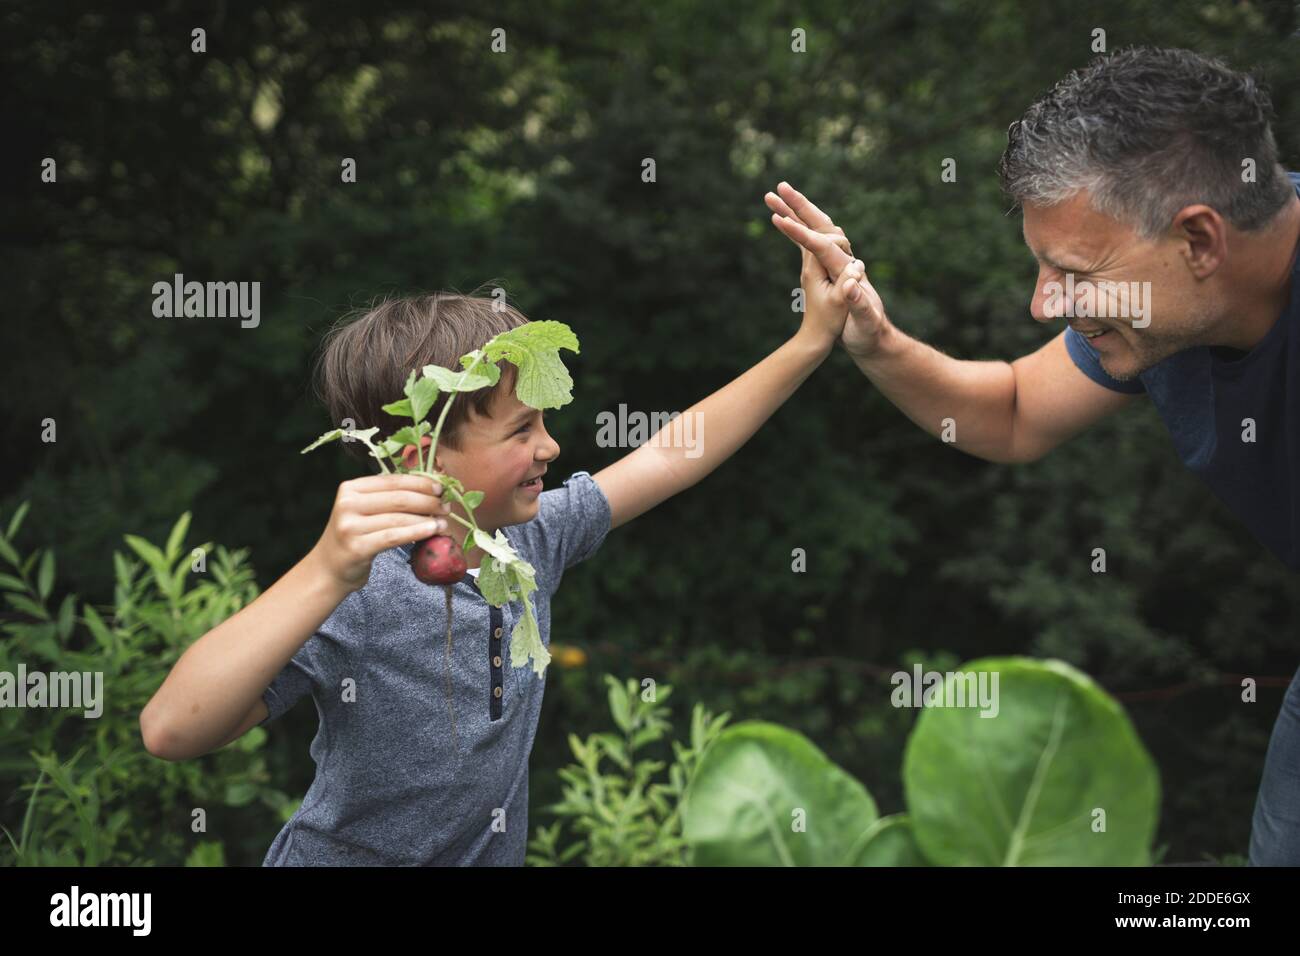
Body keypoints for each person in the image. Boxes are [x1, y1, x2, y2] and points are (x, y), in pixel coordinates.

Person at [138, 250, 860, 864]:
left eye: (545, 422)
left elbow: (674, 453)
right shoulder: (355, 593)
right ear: (425, 456)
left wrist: (808, 342)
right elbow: (173, 730)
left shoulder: (532, 539)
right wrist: (324, 574)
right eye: (521, 429)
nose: (549, 446)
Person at [767, 46, 1300, 866]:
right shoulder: (1169, 307)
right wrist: (871, 339)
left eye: (1071, 273)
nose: (1043, 303)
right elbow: (1013, 412)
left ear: (1200, 240)